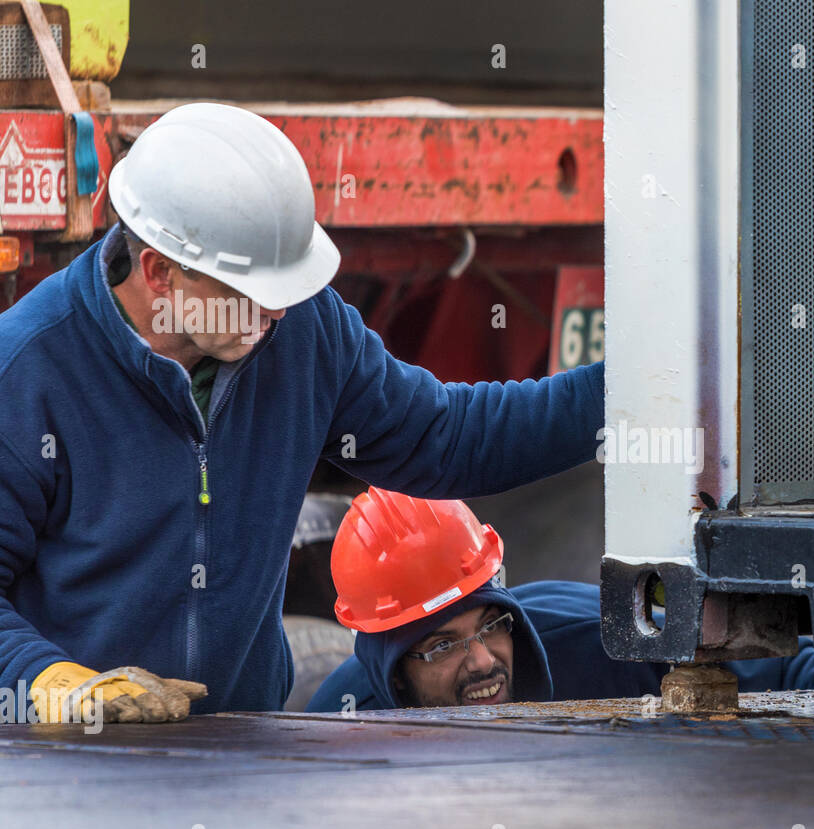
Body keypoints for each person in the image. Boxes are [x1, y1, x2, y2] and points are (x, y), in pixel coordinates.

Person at [0, 103, 603, 725]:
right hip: (72, 771)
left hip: (244, 760)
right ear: (158, 272)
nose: (280, 315)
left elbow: (447, 437)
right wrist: (49, 683)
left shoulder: (298, 329)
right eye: (254, 294)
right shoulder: (26, 371)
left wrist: (624, 396)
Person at [306, 490, 814, 712]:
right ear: (393, 673)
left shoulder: (597, 641)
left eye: (490, 626)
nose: (484, 661)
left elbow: (792, 672)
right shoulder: (343, 724)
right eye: (443, 647)